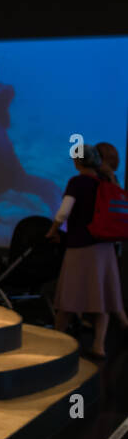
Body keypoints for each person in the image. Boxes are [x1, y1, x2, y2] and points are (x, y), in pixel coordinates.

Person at [46, 145, 128, 358]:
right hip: (105, 248)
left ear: (78, 162)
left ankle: (57, 339)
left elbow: (64, 212)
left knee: (68, 300)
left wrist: (53, 230)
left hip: (80, 247)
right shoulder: (105, 183)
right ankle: (99, 345)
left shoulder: (77, 182)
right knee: (102, 300)